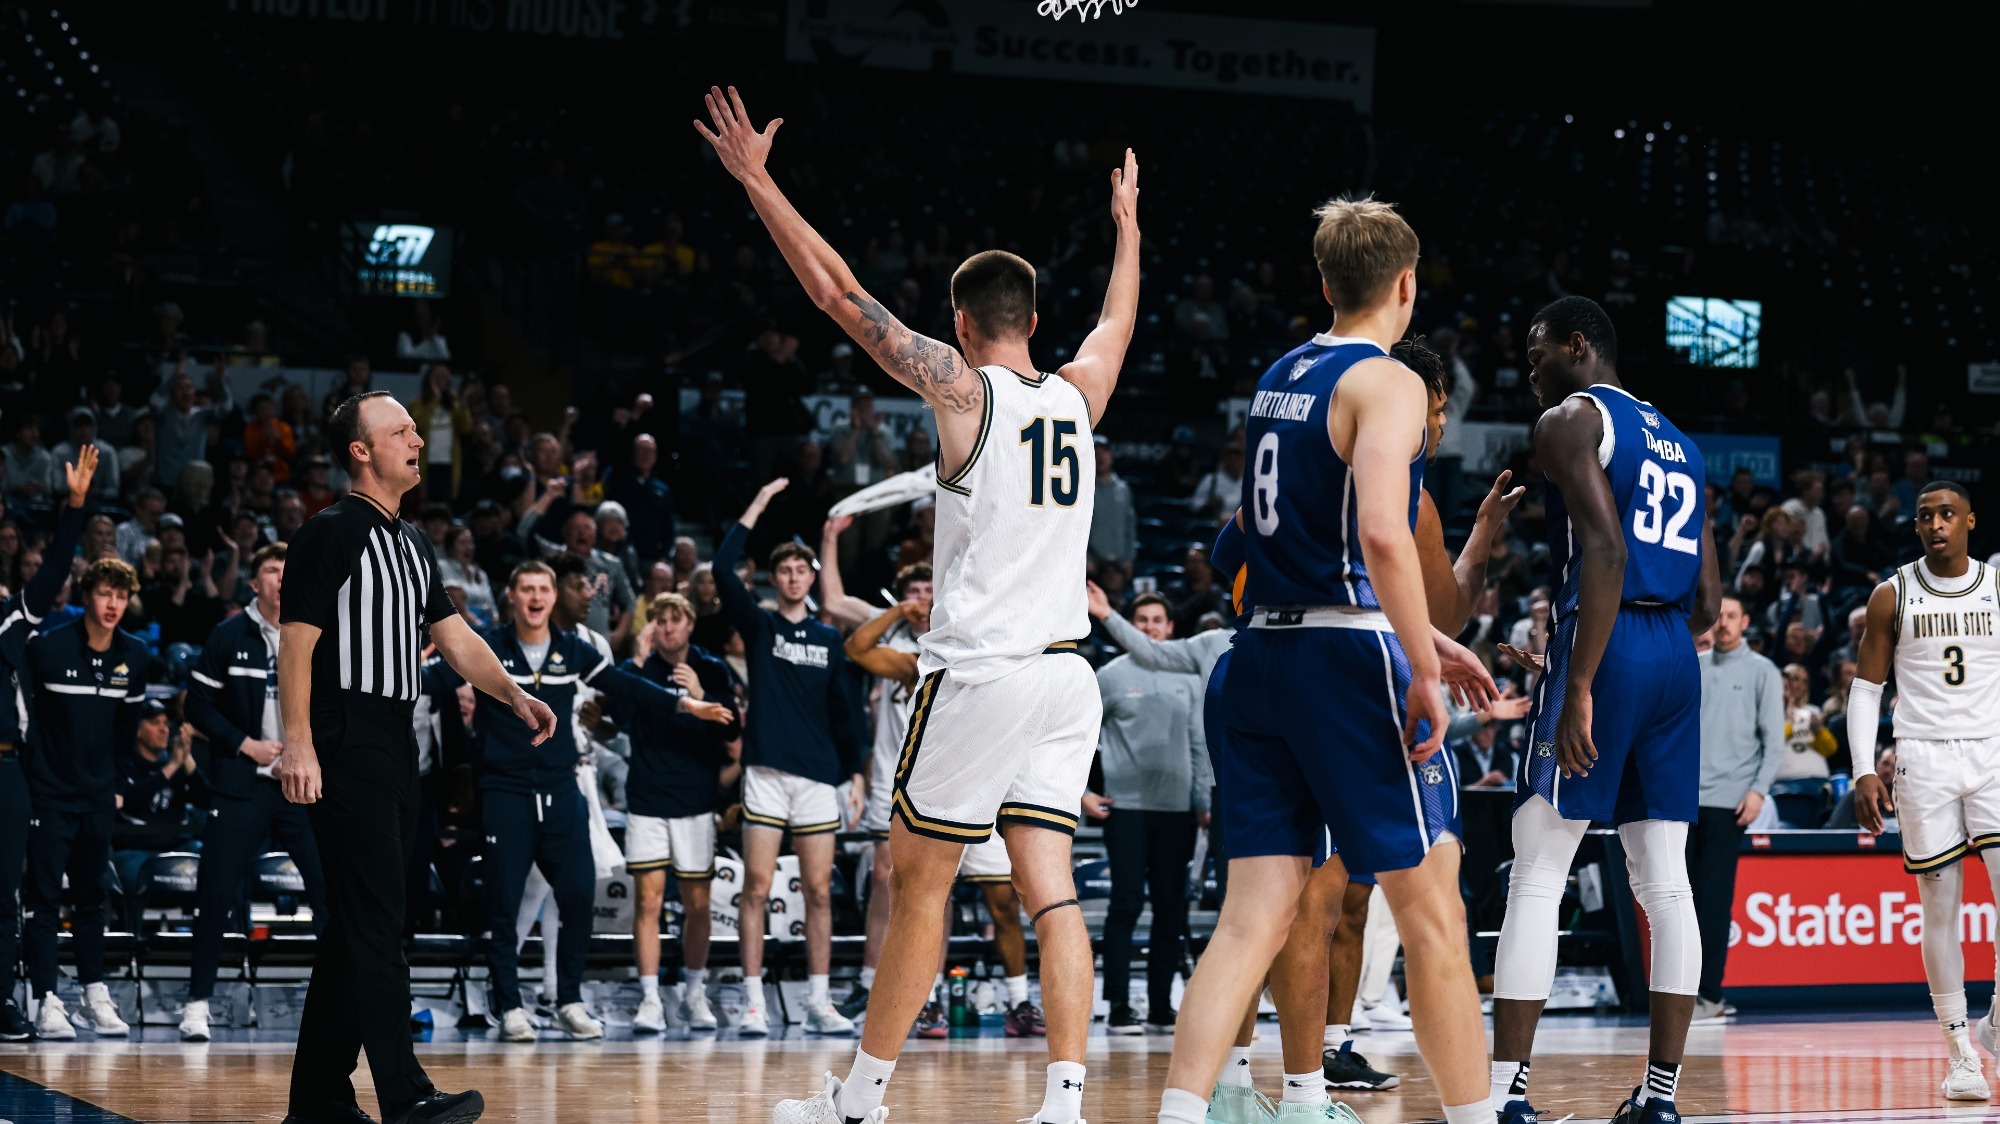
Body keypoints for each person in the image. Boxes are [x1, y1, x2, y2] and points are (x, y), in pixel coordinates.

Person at [698, 85, 1138, 1124]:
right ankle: (1065, 1100)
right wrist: (1125, 225)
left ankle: (858, 1099)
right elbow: (1118, 318)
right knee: (1055, 892)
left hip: (982, 670)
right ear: (1033, 321)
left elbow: (838, 295)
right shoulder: (1079, 392)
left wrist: (757, 180)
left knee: (920, 884)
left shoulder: (959, 391)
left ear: (957, 324)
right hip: (1065, 677)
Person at [1158, 197, 1497, 1124]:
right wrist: (1419, 670)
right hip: (1344, 660)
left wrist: (1426, 636)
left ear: (1322, 284)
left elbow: (1262, 539)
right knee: (1432, 911)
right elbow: (1383, 535)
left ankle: (1182, 1115)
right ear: (1406, 284)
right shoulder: (1383, 381)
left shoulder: (1281, 374)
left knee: (1250, 917)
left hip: (1259, 655)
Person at [272, 390, 559, 1124]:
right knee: (377, 921)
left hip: (398, 738)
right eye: (398, 429)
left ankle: (318, 1102)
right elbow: (296, 642)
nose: (415, 439)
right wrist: (297, 743)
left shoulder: (412, 542)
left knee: (363, 924)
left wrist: (514, 696)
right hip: (345, 733)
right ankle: (403, 1095)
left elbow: (456, 637)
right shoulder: (328, 532)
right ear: (360, 451)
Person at [1490, 297, 1722, 1123]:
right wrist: (1643, 653)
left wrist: (1582, 680)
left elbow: (1607, 549)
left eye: (1536, 349)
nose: (1529, 367)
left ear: (1577, 346)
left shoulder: (1569, 420)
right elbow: (1708, 598)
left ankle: (1503, 1096)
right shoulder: (1682, 441)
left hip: (1609, 636)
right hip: (1673, 655)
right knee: (1666, 884)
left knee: (1537, 870)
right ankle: (1660, 1100)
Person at [460, 561, 722, 1043]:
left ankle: (569, 1001)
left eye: (544, 589)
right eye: (527, 589)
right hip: (506, 791)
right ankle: (509, 1005)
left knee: (579, 895)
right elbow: (434, 679)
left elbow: (628, 687)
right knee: (503, 904)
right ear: (512, 598)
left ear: (553, 597)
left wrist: (685, 704)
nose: (537, 597)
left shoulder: (573, 649)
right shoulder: (490, 647)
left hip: (563, 790)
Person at [1849, 482, 2000, 1101]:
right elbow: (1866, 690)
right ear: (1916, 528)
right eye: (1924, 517)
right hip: (1924, 759)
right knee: (1939, 907)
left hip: (1992, 751)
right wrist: (1864, 768)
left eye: (1947, 514)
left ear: (1970, 520)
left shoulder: (1996, 589)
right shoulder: (1893, 593)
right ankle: (1961, 1052)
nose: (1936, 524)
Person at [844, 598, 1045, 1040]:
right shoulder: (921, 664)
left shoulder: (1002, 665)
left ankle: (1018, 1001)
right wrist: (900, 612)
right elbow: (857, 648)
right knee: (922, 902)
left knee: (1005, 905)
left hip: (987, 794)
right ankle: (926, 1001)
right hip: (936, 796)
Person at [713, 479, 868, 1038]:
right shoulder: (760, 625)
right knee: (755, 887)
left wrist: (854, 773)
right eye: (784, 570)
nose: (794, 576)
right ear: (775, 579)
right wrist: (757, 503)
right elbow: (721, 569)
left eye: (802, 569)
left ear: (809, 577)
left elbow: (844, 713)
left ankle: (819, 1002)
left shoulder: (829, 638)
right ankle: (754, 1002)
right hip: (766, 774)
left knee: (821, 891)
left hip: (817, 778)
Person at [180, 542, 329, 1043]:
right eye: (272, 569)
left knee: (331, 894)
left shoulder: (316, 633)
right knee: (215, 892)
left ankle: (342, 1005)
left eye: (291, 568)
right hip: (244, 784)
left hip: (302, 785)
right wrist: (244, 744)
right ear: (254, 581)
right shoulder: (229, 634)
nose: (283, 577)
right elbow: (196, 705)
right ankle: (198, 1003)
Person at [21, 556, 149, 1039]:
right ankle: (46, 1000)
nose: (113, 603)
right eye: (104, 593)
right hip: (50, 797)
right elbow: (26, 721)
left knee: (93, 900)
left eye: (121, 595)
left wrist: (117, 785)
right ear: (85, 595)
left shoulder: (135, 655)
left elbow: (127, 731)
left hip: (98, 798)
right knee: (45, 901)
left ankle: (95, 994)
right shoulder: (48, 649)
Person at [0, 446, 96, 1039]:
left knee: (6, 893)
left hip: (9, 769)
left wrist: (76, 506)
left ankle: (2, 1000)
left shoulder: (10, 622)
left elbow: (54, 571)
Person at [612, 592, 739, 1034]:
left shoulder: (712, 667)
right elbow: (619, 717)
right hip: (647, 799)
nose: (667, 627)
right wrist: (637, 660)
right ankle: (649, 998)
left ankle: (693, 992)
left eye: (675, 619)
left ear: (690, 625)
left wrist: (702, 694)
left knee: (697, 905)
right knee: (647, 902)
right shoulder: (639, 668)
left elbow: (734, 729)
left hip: (695, 801)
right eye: (660, 620)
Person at [1093, 594, 1210, 1036]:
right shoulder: (1111, 676)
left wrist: (1202, 803)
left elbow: (1200, 745)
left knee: (1170, 908)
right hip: (1126, 810)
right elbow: (1076, 736)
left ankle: (1162, 1005)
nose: (1149, 627)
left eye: (1158, 620)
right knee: (1125, 904)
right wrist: (1084, 794)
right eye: (1141, 620)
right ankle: (1119, 1005)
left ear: (1170, 627)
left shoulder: (1191, 679)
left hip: (1177, 811)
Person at [1685, 595, 1783, 1022]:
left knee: (1712, 899)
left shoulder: (1764, 672)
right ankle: (1675, 993)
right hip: (1684, 799)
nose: (1722, 623)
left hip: (1729, 803)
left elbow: (1773, 740)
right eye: (1717, 616)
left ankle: (1708, 995)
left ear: (1744, 621)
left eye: (1730, 616)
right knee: (1676, 901)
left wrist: (1758, 789)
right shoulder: (1695, 666)